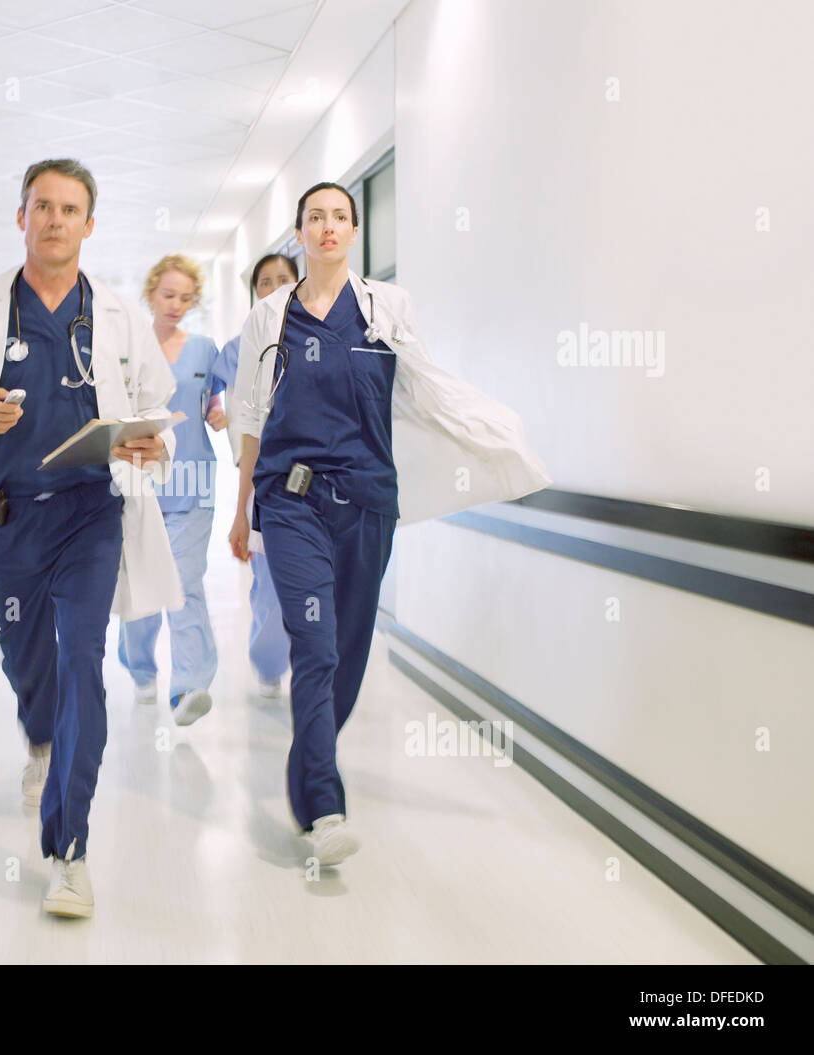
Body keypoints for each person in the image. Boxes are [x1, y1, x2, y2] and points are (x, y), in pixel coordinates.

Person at [0, 158, 183, 919]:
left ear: (91, 224)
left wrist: (153, 445)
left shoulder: (117, 315)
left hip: (93, 512)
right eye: (41, 206)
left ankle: (70, 850)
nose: (54, 219)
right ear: (19, 217)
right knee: (29, 662)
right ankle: (42, 737)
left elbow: (156, 405)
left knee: (82, 658)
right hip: (8, 517)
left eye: (70, 208)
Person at [228, 182, 550, 867]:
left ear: (353, 232)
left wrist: (497, 439)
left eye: (340, 217)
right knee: (313, 644)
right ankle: (324, 804)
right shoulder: (270, 316)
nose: (329, 228)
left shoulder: (386, 308)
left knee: (344, 653)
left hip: (368, 501)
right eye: (315, 218)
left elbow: (425, 388)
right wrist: (240, 509)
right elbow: (251, 415)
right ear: (299, 233)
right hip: (290, 500)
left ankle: (306, 770)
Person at [117, 254, 225, 725]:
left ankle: (190, 687)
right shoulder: (129, 348)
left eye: (186, 298)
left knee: (184, 582)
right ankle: (140, 668)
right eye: (168, 295)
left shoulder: (205, 350)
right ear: (151, 294)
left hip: (194, 482)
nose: (177, 305)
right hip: (140, 481)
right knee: (142, 585)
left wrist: (220, 415)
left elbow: (215, 406)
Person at [211, 253, 299, 699]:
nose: (274, 288)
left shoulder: (314, 338)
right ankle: (269, 663)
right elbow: (207, 385)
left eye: (283, 279)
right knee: (269, 587)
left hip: (318, 481)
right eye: (265, 282)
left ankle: (311, 667)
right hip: (262, 479)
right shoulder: (239, 348)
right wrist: (214, 410)